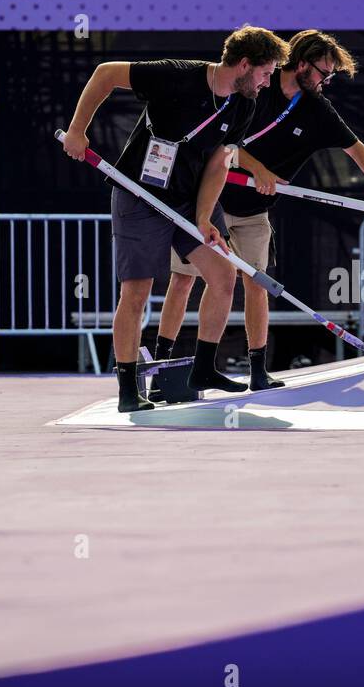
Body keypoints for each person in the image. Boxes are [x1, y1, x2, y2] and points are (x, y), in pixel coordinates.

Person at [158, 30, 364, 391]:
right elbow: (224, 148)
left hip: (256, 211)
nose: (326, 81)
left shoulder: (317, 108)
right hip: (213, 202)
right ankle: (162, 370)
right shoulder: (257, 87)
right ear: (302, 63)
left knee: (257, 283)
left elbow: (357, 150)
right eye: (323, 73)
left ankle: (257, 370)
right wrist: (257, 169)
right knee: (183, 280)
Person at [62, 25, 289, 411]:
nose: (268, 82)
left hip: (187, 198)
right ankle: (128, 390)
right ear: (245, 64)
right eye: (266, 72)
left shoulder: (243, 105)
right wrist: (76, 131)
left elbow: (219, 162)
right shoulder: (177, 73)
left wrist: (203, 216)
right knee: (136, 291)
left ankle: (203, 368)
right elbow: (105, 73)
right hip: (139, 193)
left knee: (223, 275)